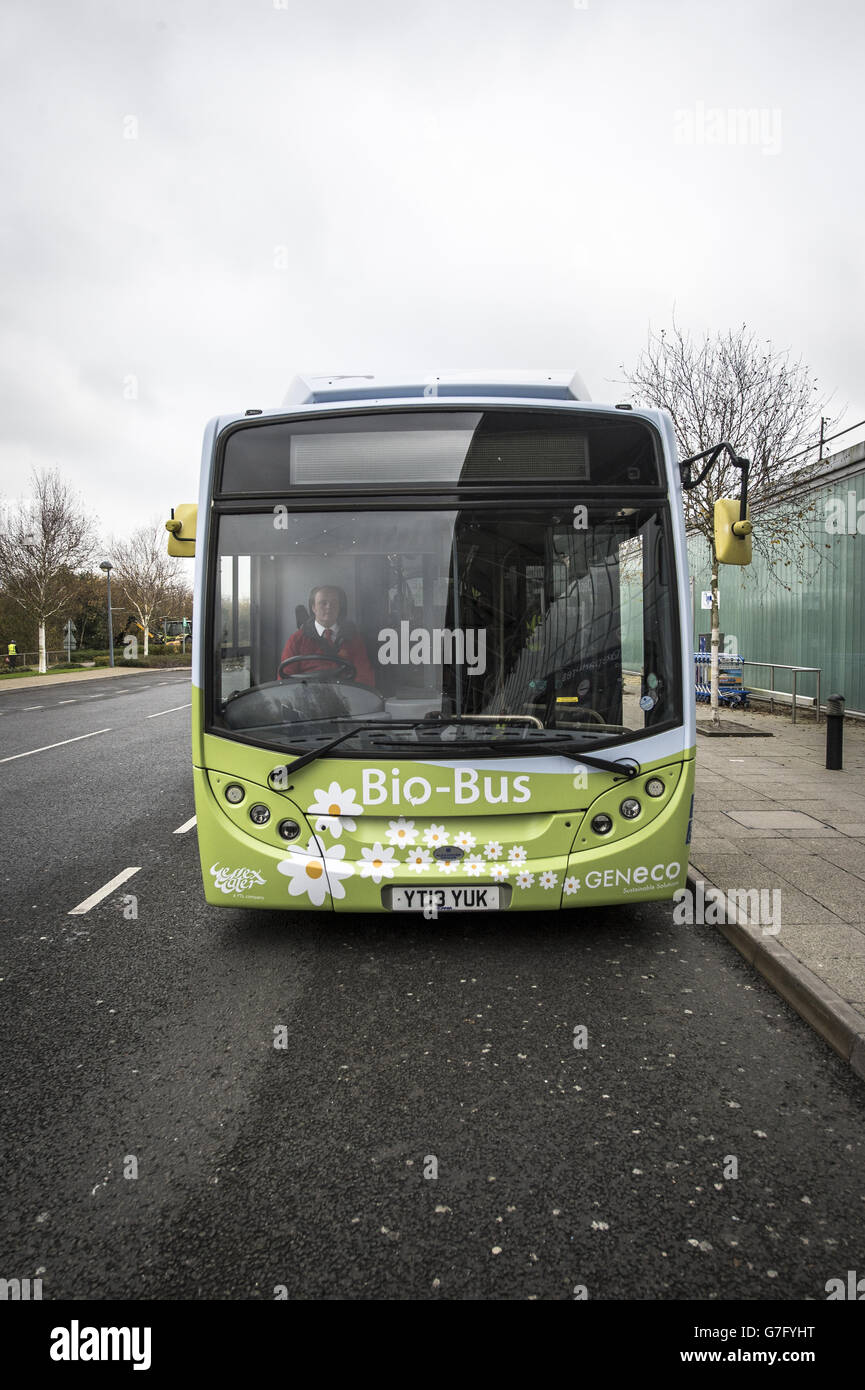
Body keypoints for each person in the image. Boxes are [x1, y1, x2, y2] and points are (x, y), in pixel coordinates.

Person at [279, 585, 375, 687]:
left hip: (345, 698)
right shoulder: (296, 640)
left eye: (334, 603)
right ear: (314, 608)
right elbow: (285, 681)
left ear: (339, 607)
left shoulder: (353, 638)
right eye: (323, 603)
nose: (329, 607)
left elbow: (365, 677)